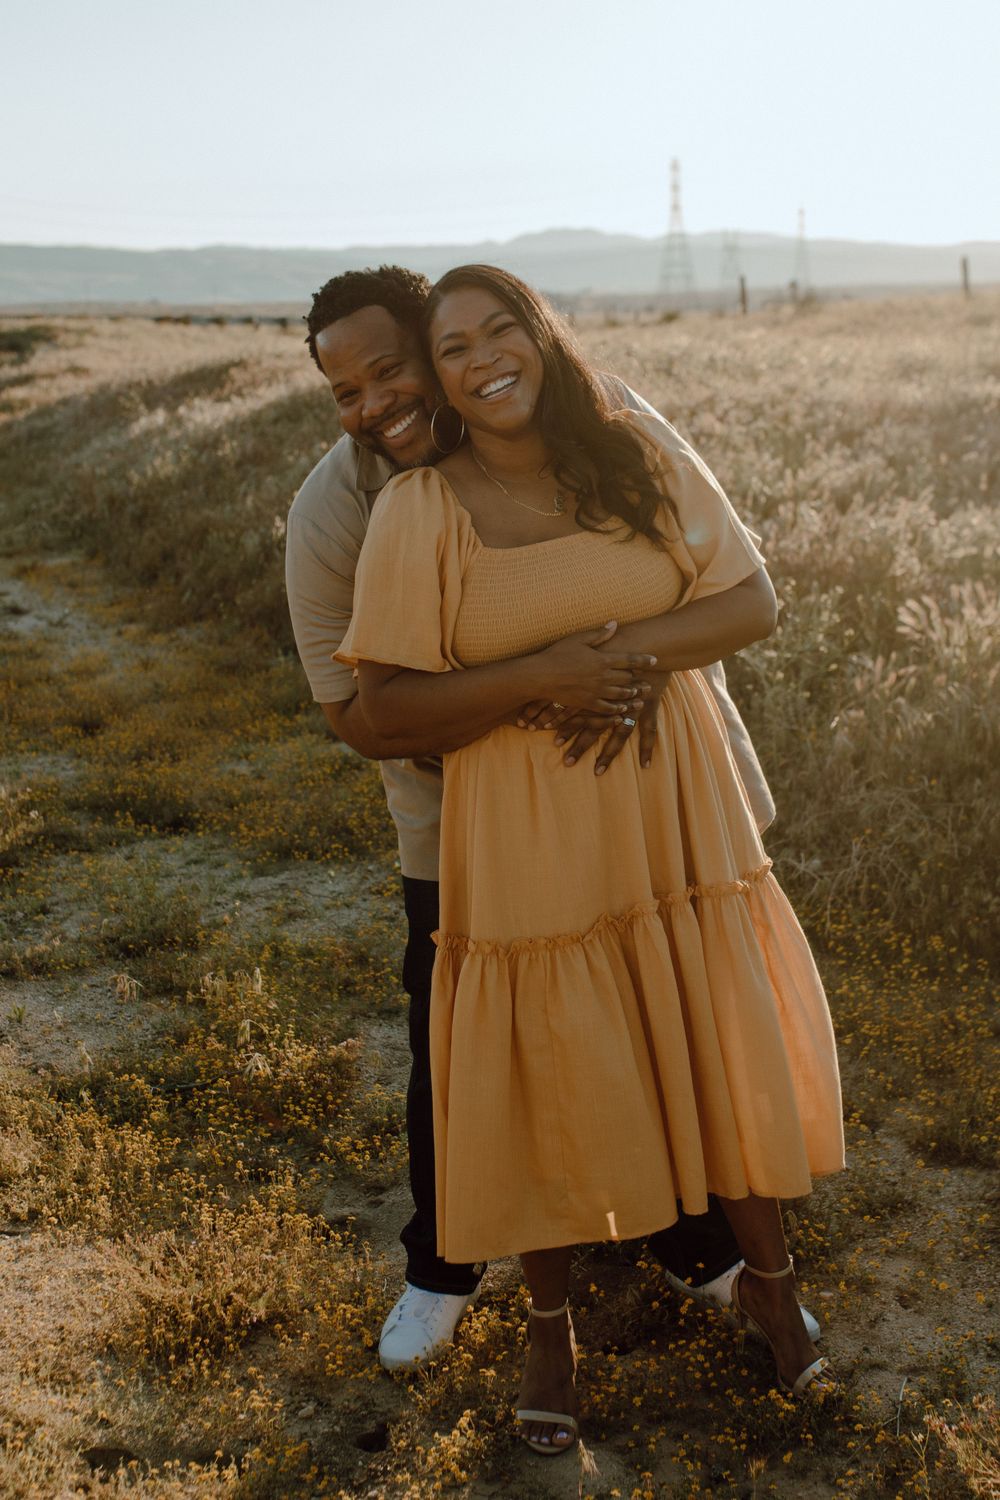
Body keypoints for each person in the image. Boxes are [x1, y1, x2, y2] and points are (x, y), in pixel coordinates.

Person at [335, 264, 845, 1452]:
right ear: (437, 377)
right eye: (451, 347)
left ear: (540, 336)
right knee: (547, 1056)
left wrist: (611, 655)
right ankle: (549, 1323)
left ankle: (768, 1281)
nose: (480, 359)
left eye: (499, 330)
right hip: (524, 831)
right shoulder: (420, 510)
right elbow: (388, 705)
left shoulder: (633, 455)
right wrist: (545, 680)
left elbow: (750, 602)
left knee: (714, 1028)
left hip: (677, 805)